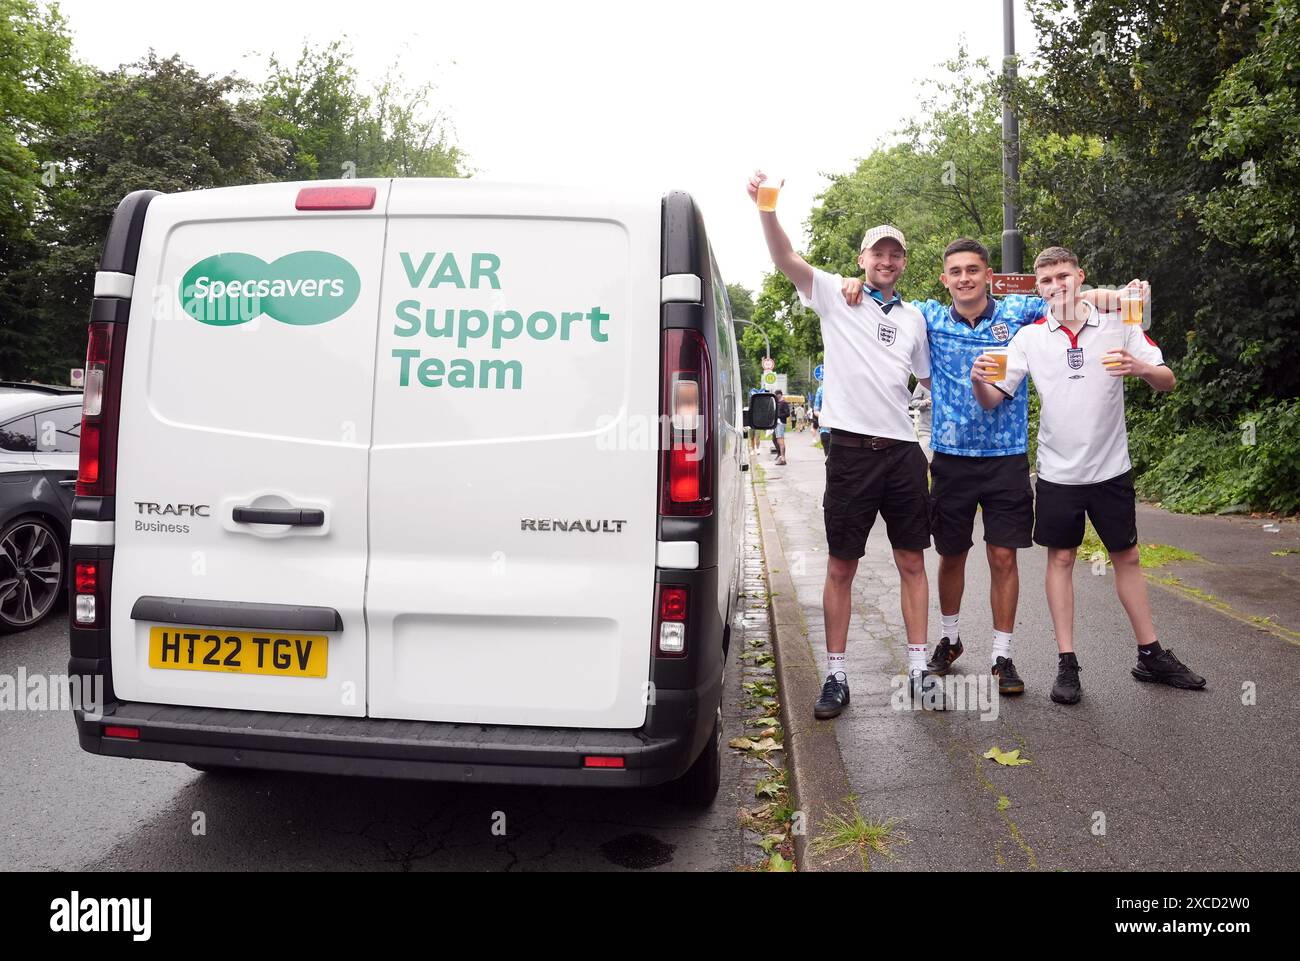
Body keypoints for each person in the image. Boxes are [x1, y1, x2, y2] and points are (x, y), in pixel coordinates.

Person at [843, 238, 1139, 696]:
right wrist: (853, 284)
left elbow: (1069, 296)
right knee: (952, 555)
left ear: (987, 276)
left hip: (1006, 459)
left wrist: (1114, 297)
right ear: (945, 279)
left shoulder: (1019, 312)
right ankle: (952, 639)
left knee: (1003, 556)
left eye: (973, 270)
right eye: (956, 271)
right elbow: (881, 299)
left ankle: (1003, 654)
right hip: (951, 458)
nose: (965, 278)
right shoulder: (927, 316)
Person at [970, 246, 1206, 704]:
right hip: (1059, 472)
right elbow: (991, 401)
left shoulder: (1119, 320)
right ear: (1038, 290)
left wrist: (1139, 368)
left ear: (1079, 277)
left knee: (1128, 558)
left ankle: (1151, 654)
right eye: (1046, 281)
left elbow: (1167, 378)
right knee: (1061, 560)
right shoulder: (1029, 339)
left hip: (1111, 468)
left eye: (1063, 276)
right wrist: (979, 379)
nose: (1056, 286)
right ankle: (1067, 663)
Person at [749, 170, 934, 719]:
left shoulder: (916, 317)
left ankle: (921, 670)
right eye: (878, 253)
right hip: (852, 452)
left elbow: (927, 381)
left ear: (902, 263)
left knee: (911, 562)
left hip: (903, 452)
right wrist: (766, 207)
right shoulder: (833, 293)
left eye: (895, 254)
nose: (886, 261)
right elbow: (786, 259)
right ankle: (836, 675)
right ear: (861, 260)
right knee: (840, 566)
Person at [772, 389, 790, 464]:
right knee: (778, 440)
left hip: (781, 423)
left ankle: (783, 458)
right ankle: (781, 457)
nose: (776, 396)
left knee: (781, 441)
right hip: (777, 423)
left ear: (780, 394)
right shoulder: (777, 403)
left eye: (776, 395)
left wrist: (778, 416)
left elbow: (787, 414)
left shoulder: (784, 403)